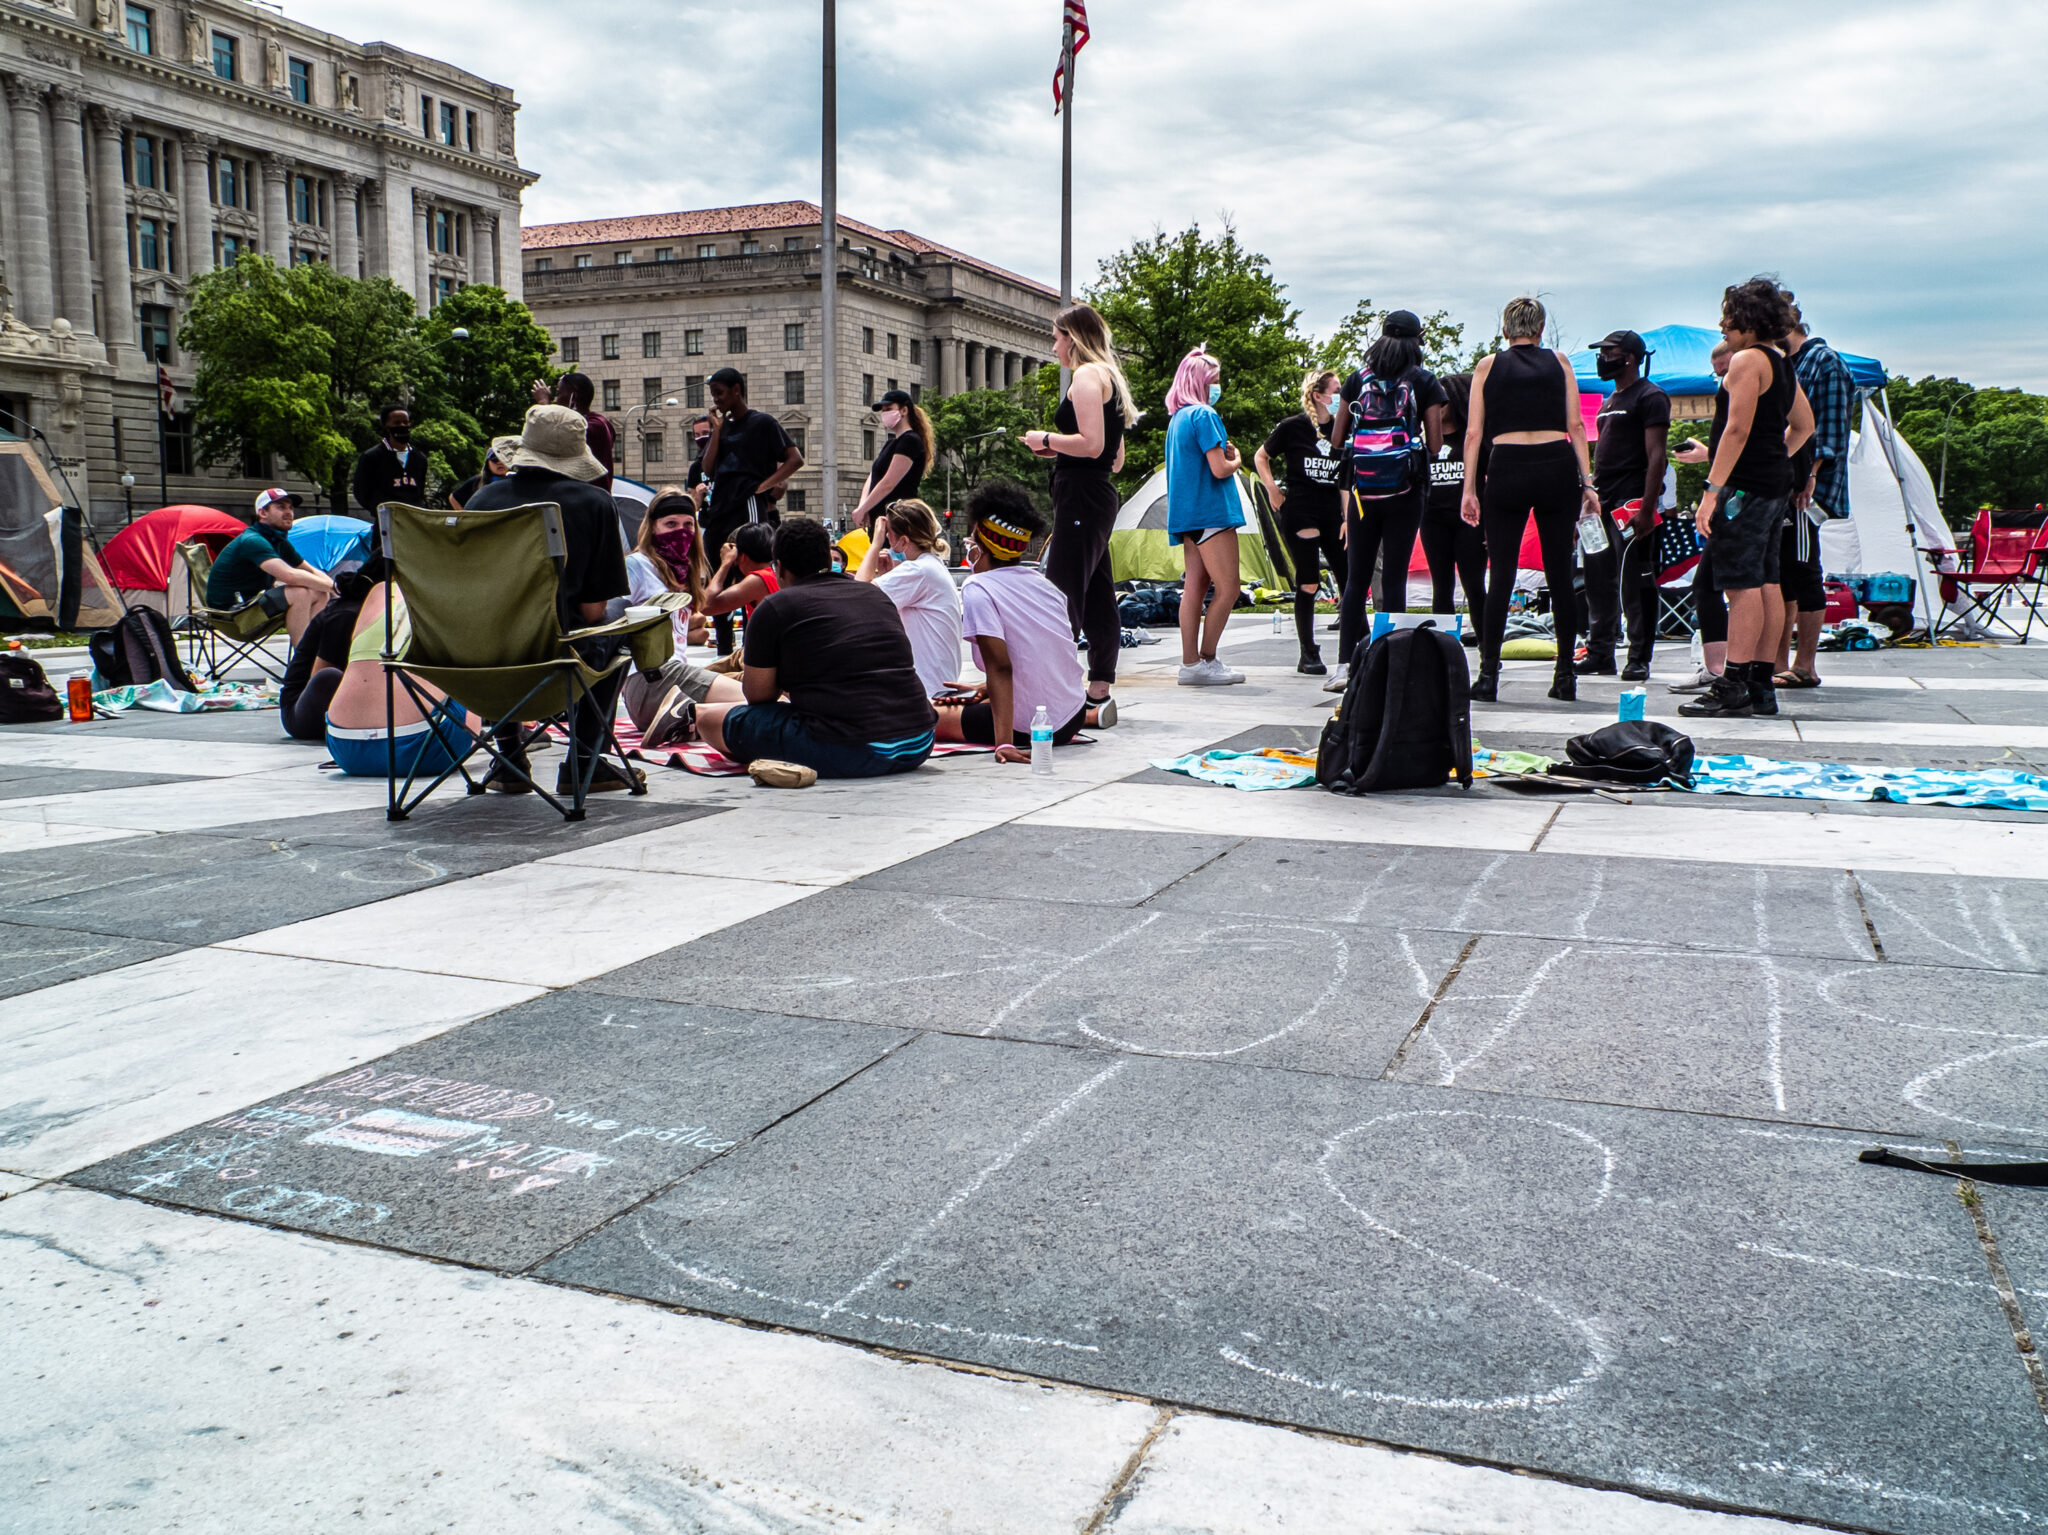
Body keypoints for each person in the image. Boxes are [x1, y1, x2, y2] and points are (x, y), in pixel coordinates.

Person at [464, 404, 638, 793]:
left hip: (477, 659)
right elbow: (593, 612)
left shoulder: (480, 503)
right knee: (621, 617)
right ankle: (582, 761)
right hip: (556, 657)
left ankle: (508, 758)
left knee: (502, 627)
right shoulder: (594, 504)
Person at [696, 517, 936, 778]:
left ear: (780, 568)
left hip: (859, 750)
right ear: (828, 559)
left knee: (710, 720)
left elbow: (758, 697)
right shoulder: (874, 594)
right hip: (920, 741)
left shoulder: (775, 606)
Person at [1678, 277, 1814, 720]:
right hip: (1773, 484)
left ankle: (1733, 682)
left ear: (1748, 320)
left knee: (1740, 587)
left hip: (1744, 488)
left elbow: (1735, 429)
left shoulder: (1745, 361)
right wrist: (1775, 457)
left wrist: (1712, 491)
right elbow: (1804, 425)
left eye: (1729, 317)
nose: (1722, 324)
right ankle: (1760, 681)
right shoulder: (1780, 361)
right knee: (1766, 581)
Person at [1461, 296, 1600, 703]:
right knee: (1559, 572)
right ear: (1539, 329)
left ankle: (1488, 674)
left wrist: (1470, 488)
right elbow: (1575, 424)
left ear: (1506, 330)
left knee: (1501, 573)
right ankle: (1565, 674)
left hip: (1506, 465)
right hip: (1556, 463)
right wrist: (1588, 482)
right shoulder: (1559, 362)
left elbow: (1473, 434)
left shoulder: (1488, 366)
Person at [1022, 302, 1137, 715]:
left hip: (1081, 495)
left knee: (1063, 590)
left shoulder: (1087, 377)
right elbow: (1114, 457)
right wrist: (1059, 450)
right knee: (1098, 592)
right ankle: (1098, 691)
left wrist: (1047, 439)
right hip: (1096, 492)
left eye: (1056, 337)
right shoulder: (1111, 380)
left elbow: (1091, 445)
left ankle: (1053, 692)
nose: (1053, 346)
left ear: (1072, 337)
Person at [1328, 310, 1448, 692]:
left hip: (1362, 492)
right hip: (1406, 491)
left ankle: (1346, 666)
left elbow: (1335, 440)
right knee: (1394, 577)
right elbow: (1434, 444)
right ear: (1418, 340)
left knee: (1356, 579)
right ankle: (1390, 663)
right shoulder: (1423, 381)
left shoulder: (1357, 379)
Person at [934, 482, 1096, 760]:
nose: (968, 543)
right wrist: (983, 690)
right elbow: (1042, 657)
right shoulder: (1047, 587)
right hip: (1073, 718)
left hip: (1031, 728)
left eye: (972, 537)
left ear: (981, 547)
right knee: (972, 700)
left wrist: (1004, 744)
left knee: (923, 714)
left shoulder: (979, 587)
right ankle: (1093, 716)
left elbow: (1000, 666)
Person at [615, 488, 743, 749]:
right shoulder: (636, 566)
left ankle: (685, 718)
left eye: (688, 524)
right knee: (765, 706)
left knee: (758, 701)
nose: (681, 532)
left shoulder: (682, 573)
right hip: (651, 679)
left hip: (663, 692)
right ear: (652, 528)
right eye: (670, 524)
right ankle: (687, 716)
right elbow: (610, 626)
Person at [1579, 330, 1673, 682]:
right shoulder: (1608, 401)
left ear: (1629, 357)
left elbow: (1656, 456)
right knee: (1597, 581)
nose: (1603, 359)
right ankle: (1601, 652)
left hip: (1632, 503)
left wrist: (1648, 508)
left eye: (1609, 352)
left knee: (1634, 582)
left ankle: (1638, 657)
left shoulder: (1650, 396)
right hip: (1600, 505)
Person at [321, 576, 478, 780]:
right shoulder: (464, 596)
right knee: (472, 677)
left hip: (344, 746)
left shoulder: (381, 592)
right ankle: (516, 737)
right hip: (423, 747)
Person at [1776, 304, 1854, 690]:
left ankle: (1805, 664)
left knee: (1804, 569)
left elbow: (1831, 432)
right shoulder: (1785, 363)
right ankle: (1777, 660)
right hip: (1785, 485)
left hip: (1810, 489)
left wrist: (1809, 475)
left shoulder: (1824, 362)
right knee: (1783, 570)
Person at [1160, 346, 1246, 686]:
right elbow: (1220, 468)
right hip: (1212, 511)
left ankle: (1190, 663)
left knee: (1194, 588)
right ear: (1200, 382)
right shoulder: (1204, 416)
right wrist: (1237, 459)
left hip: (1187, 516)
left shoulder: (1177, 420)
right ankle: (1208, 659)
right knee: (1229, 587)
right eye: (1215, 381)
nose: (1218, 386)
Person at [700, 367, 802, 652]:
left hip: (747, 503)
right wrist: (716, 432)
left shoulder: (763, 423)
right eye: (713, 394)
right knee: (718, 565)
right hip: (720, 505)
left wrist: (763, 487)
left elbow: (795, 459)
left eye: (719, 393)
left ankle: (756, 644)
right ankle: (723, 645)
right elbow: (707, 468)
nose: (716, 400)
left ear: (736, 390)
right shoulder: (723, 427)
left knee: (752, 567)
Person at [1255, 368, 1348, 674]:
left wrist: (1348, 515)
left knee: (1349, 579)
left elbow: (1348, 475)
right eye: (1336, 390)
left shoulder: (1342, 427)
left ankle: (1356, 644)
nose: (1340, 396)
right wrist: (1272, 489)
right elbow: (1261, 457)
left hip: (1333, 509)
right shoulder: (1292, 427)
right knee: (1309, 581)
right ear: (1318, 395)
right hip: (1301, 508)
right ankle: (1308, 651)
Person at [1669, 342, 1735, 694]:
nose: (1721, 379)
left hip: (1739, 495)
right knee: (1723, 585)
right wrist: (1710, 455)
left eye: (1724, 371)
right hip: (1742, 489)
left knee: (1736, 587)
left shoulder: (1751, 374)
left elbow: (1741, 438)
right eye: (1717, 373)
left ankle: (1730, 669)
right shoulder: (1772, 373)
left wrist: (1711, 493)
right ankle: (1730, 668)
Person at [854, 498, 962, 698]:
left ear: (903, 541)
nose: (888, 542)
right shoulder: (930, 566)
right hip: (934, 684)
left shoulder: (918, 570)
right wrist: (886, 574)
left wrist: (875, 543)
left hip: (926, 690)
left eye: (889, 537)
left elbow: (859, 595)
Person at [205, 487, 336, 646]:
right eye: (281, 507)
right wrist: (336, 588)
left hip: (251, 607)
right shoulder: (253, 540)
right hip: (234, 617)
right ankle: (303, 659)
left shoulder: (278, 540)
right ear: (263, 513)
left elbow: (310, 570)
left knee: (319, 592)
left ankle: (315, 651)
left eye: (290, 507)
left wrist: (332, 589)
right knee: (299, 593)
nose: (288, 512)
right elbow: (290, 576)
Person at [1419, 372, 1486, 626]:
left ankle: (1487, 651)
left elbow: (1487, 484)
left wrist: (1488, 526)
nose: (1436, 407)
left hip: (1468, 522)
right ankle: (1443, 650)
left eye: (1442, 401)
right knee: (1441, 586)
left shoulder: (1472, 439)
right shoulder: (1423, 442)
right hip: (1433, 520)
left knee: (1474, 585)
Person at [278, 559, 370, 741]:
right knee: (329, 676)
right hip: (302, 709)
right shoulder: (346, 615)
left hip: (349, 696)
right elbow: (318, 676)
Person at [531, 372, 615, 491]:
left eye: (559, 394)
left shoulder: (596, 425)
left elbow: (559, 434)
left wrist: (543, 404)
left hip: (587, 502)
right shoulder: (597, 422)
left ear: (573, 398)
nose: (555, 400)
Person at [702, 522, 781, 634]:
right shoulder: (776, 573)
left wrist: (725, 564)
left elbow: (706, 606)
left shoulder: (758, 580)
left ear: (742, 556)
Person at [351, 405, 429, 515]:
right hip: (386, 521)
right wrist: (378, 509)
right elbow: (361, 492)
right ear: (387, 427)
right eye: (397, 423)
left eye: (405, 422)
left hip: (413, 521)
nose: (402, 426)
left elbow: (420, 490)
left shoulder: (419, 458)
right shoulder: (372, 457)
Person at [450, 436, 518, 510]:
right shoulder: (477, 481)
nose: (500, 462)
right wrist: (464, 517)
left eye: (504, 459)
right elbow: (453, 498)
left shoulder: (515, 481)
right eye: (494, 459)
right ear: (487, 463)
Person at [684, 416, 714, 510]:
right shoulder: (696, 467)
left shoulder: (728, 461)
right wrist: (698, 494)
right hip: (707, 521)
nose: (701, 438)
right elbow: (695, 506)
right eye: (697, 435)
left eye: (705, 433)